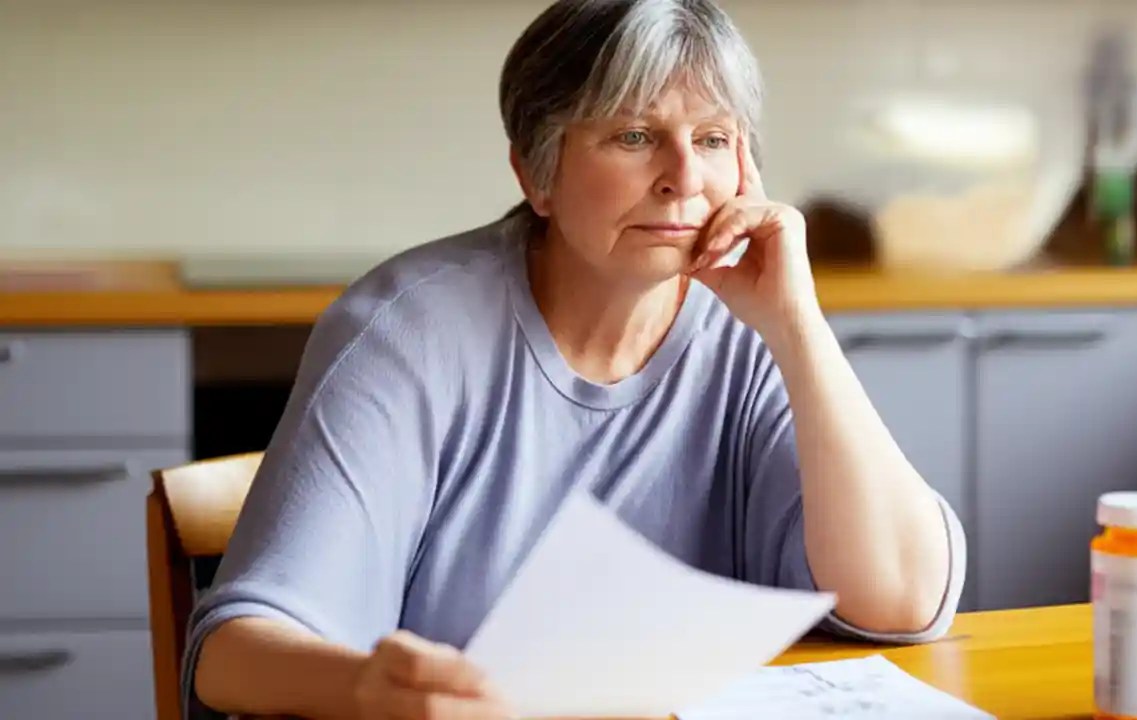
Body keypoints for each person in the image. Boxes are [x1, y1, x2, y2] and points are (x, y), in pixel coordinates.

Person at [185, 1, 967, 718]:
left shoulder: (752, 332)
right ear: (536, 171)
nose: (684, 178)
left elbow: (900, 602)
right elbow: (229, 655)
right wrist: (367, 689)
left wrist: (797, 326)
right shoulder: (408, 334)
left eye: (714, 139)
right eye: (633, 136)